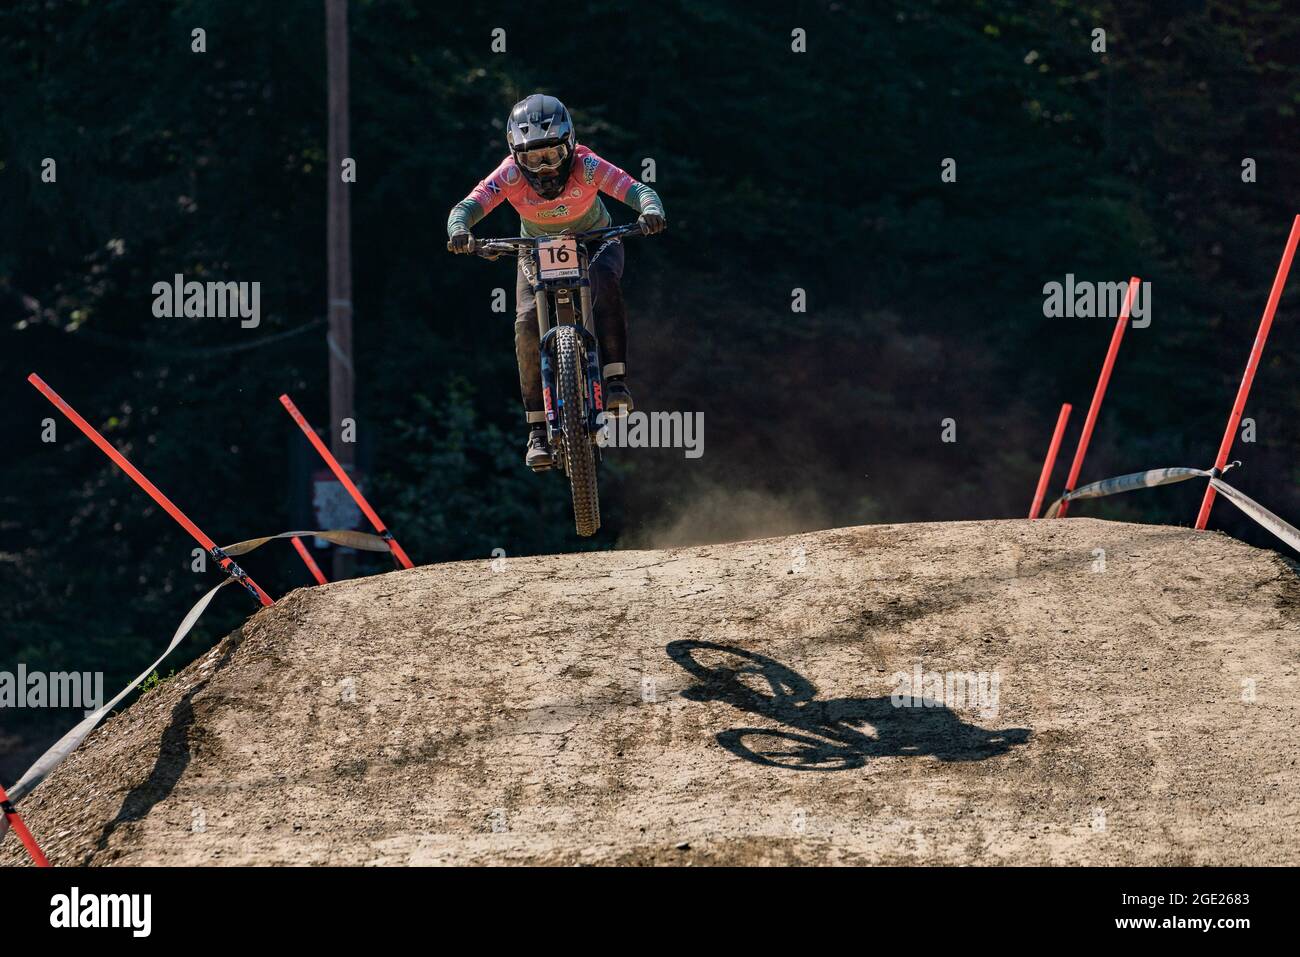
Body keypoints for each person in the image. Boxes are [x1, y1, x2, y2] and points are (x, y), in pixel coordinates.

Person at [447, 93, 665, 469]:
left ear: (570, 145)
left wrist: (650, 210)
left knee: (604, 280)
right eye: (533, 157)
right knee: (526, 322)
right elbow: (466, 207)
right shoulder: (509, 175)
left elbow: (638, 189)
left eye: (553, 155)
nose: (545, 168)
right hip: (533, 248)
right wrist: (460, 230)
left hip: (595, 239)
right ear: (517, 156)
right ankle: (536, 431)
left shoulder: (588, 164)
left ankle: (615, 381)